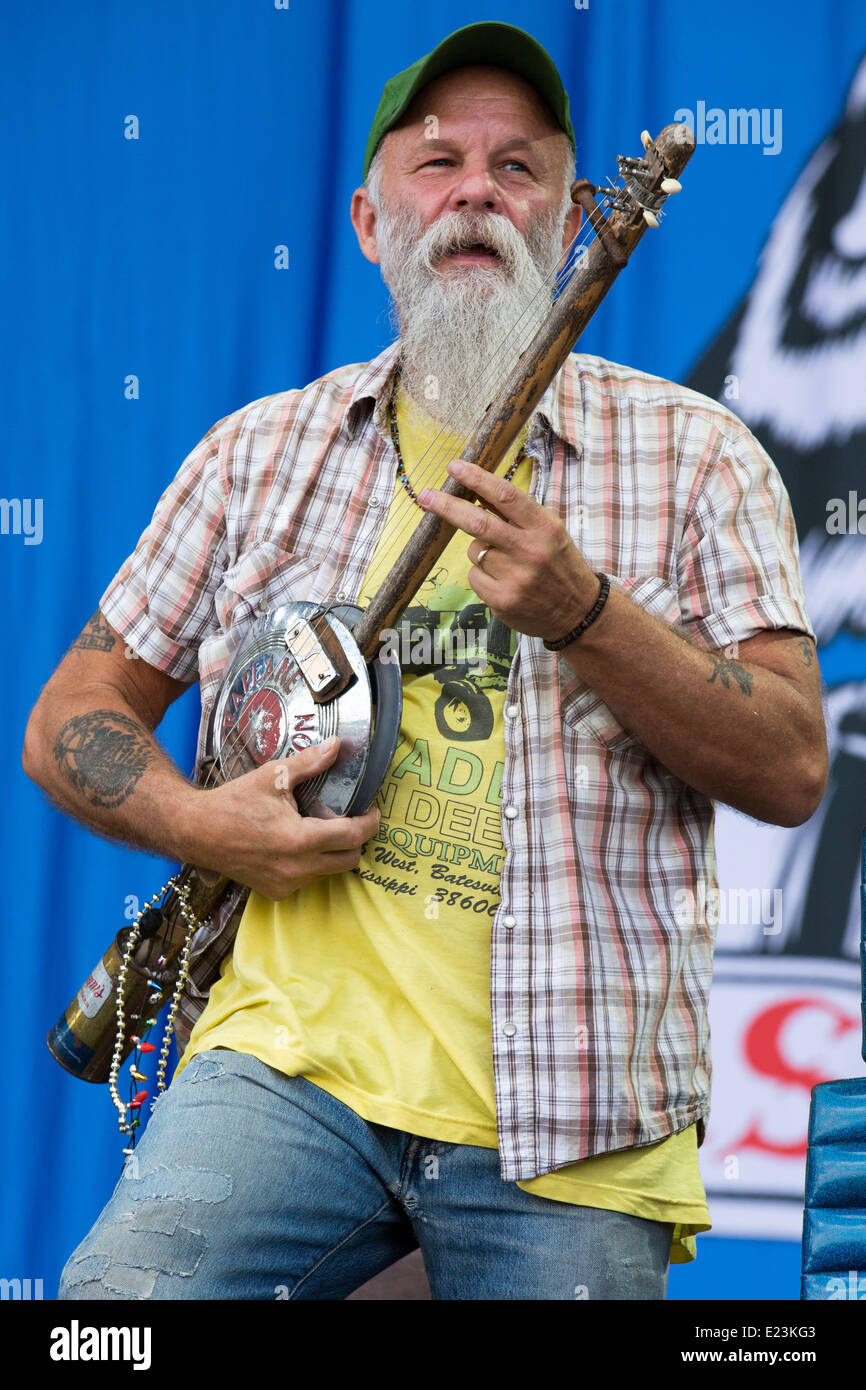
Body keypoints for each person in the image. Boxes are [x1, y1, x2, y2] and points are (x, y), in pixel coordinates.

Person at [24, 22, 827, 1300]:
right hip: (287, 1071)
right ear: (364, 217)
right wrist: (201, 821)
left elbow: (790, 764)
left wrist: (583, 611)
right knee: (106, 1323)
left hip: (575, 1110)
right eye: (436, 160)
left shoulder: (697, 456)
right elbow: (76, 706)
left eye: (517, 168)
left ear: (573, 215)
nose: (475, 192)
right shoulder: (258, 454)